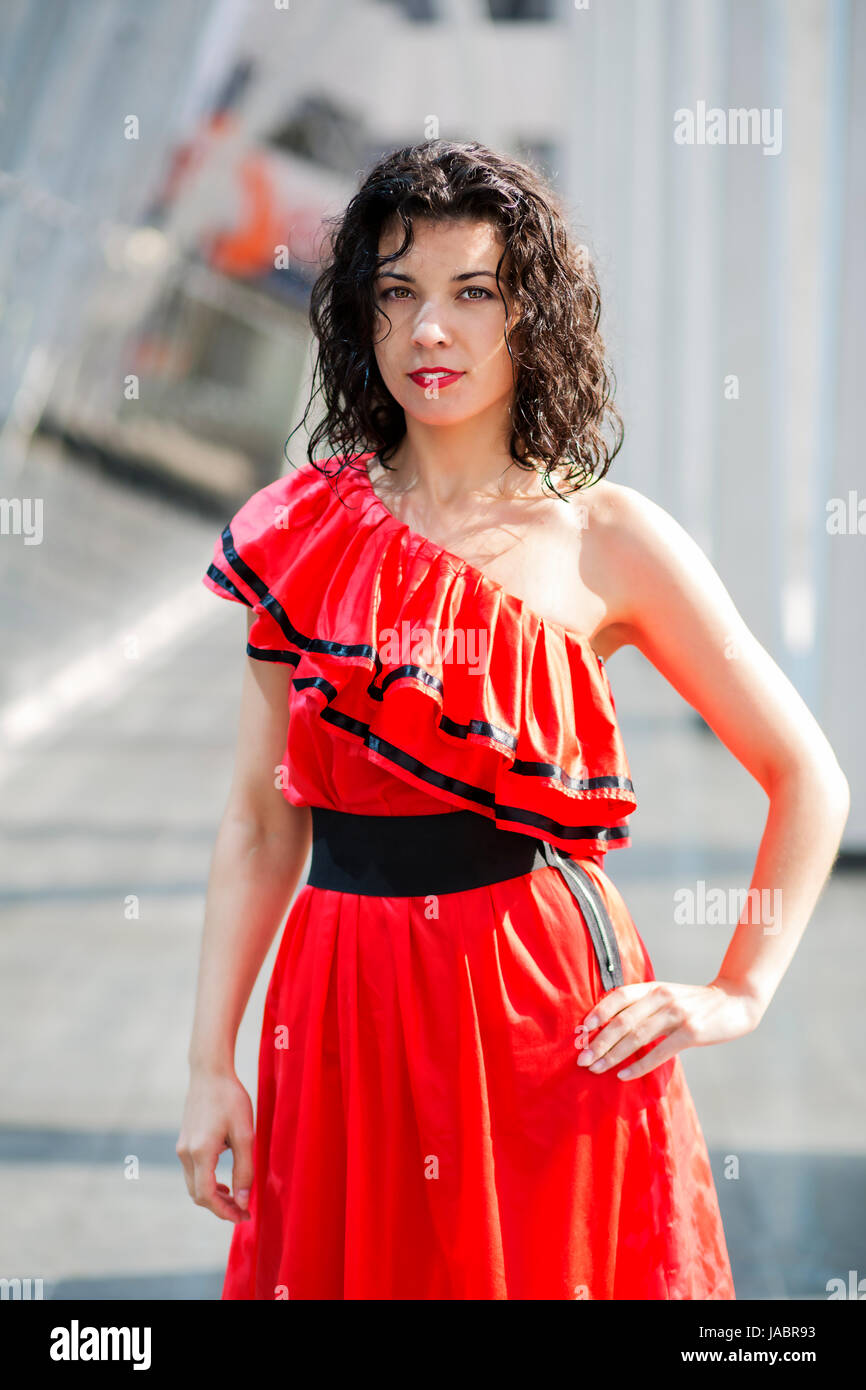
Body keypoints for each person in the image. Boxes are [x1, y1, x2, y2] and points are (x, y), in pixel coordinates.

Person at [177, 140, 850, 1300]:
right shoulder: (302, 529)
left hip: (542, 1008)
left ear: (530, 314)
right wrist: (209, 1063)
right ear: (360, 318)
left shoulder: (609, 539)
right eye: (397, 295)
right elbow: (257, 821)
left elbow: (806, 774)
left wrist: (736, 990)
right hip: (337, 999)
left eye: (470, 293)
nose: (427, 331)